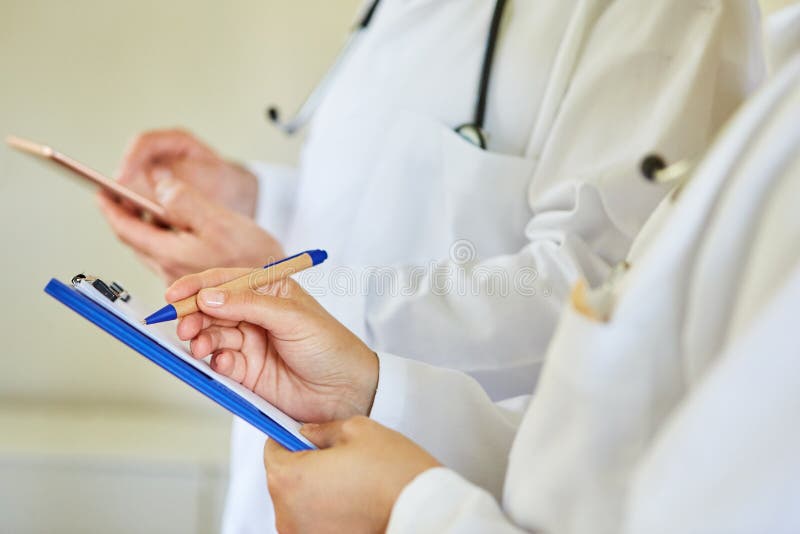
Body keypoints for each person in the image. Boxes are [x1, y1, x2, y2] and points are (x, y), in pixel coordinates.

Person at [97, 1, 765, 531]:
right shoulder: (391, 9)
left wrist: (297, 289)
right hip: (292, 467)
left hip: (451, 487)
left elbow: (603, 294)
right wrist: (255, 196)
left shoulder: (663, 12)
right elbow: (372, 209)